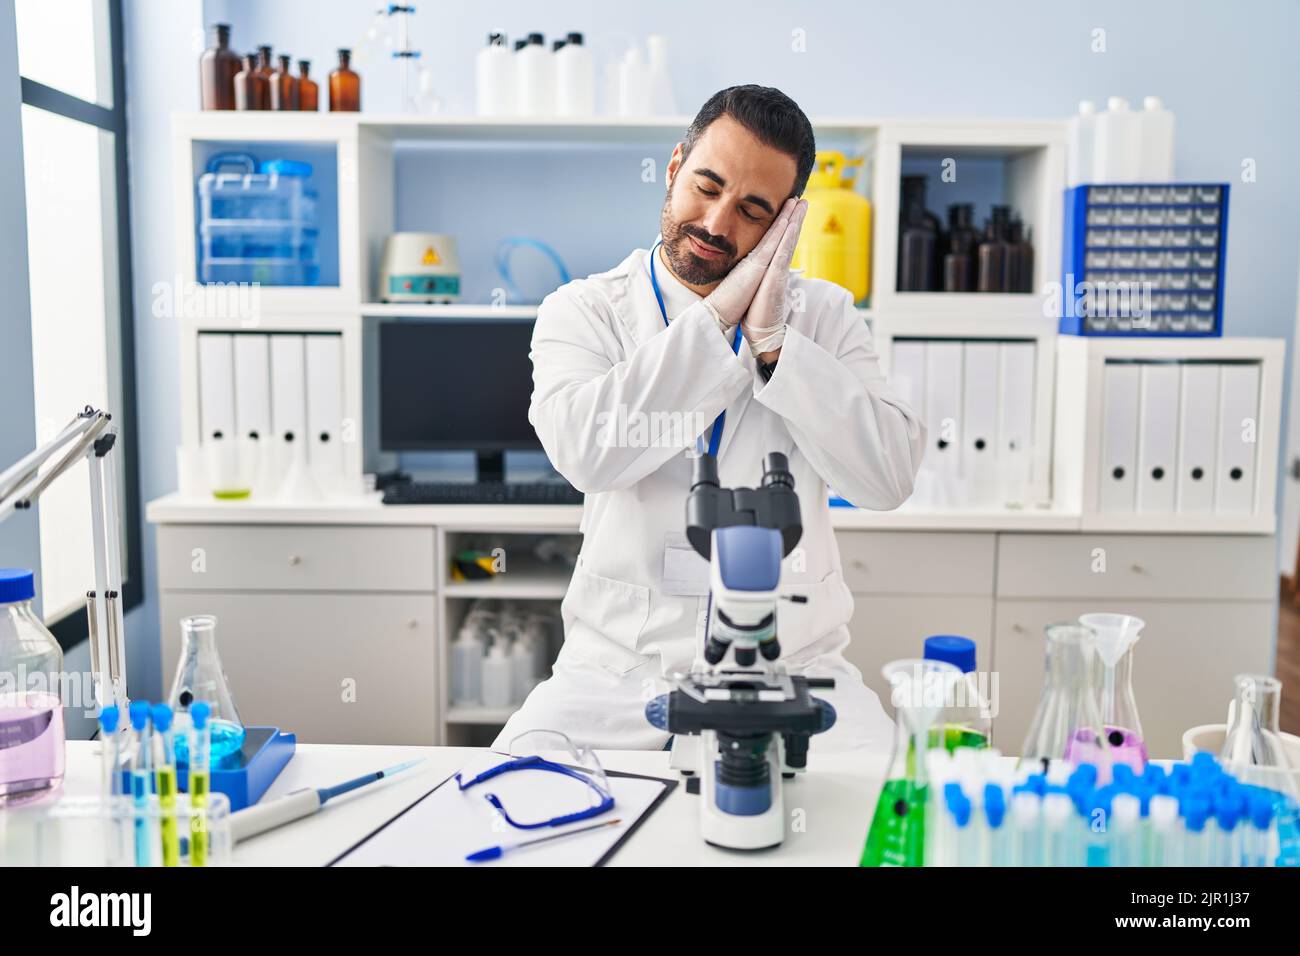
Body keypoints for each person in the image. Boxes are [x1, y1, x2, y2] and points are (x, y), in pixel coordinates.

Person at [494, 85, 925, 754]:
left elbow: (889, 477)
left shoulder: (827, 317)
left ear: (785, 222)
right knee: (515, 798)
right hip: (616, 673)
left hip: (797, 671)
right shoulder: (583, 311)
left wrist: (779, 344)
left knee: (888, 820)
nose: (719, 223)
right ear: (673, 167)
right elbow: (586, 453)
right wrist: (720, 316)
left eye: (753, 209)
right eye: (707, 186)